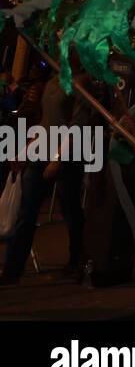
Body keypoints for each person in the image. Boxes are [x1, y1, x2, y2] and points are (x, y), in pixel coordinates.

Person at [0, 64, 93, 285]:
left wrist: (59, 158)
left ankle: (78, 261)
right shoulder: (53, 81)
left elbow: (77, 125)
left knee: (70, 211)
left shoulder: (82, 82)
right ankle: (12, 270)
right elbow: (46, 122)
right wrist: (26, 150)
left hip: (68, 157)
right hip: (42, 154)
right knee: (27, 211)